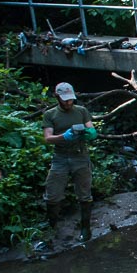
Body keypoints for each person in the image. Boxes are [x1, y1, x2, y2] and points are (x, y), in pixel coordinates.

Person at [42, 82, 97, 241]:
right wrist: (63, 137)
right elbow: (47, 138)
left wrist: (90, 133)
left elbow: (90, 127)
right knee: (52, 194)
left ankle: (85, 229)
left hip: (80, 156)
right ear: (57, 97)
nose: (68, 102)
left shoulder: (81, 111)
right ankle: (52, 230)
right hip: (60, 157)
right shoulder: (50, 114)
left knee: (85, 194)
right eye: (65, 99)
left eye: (70, 99)